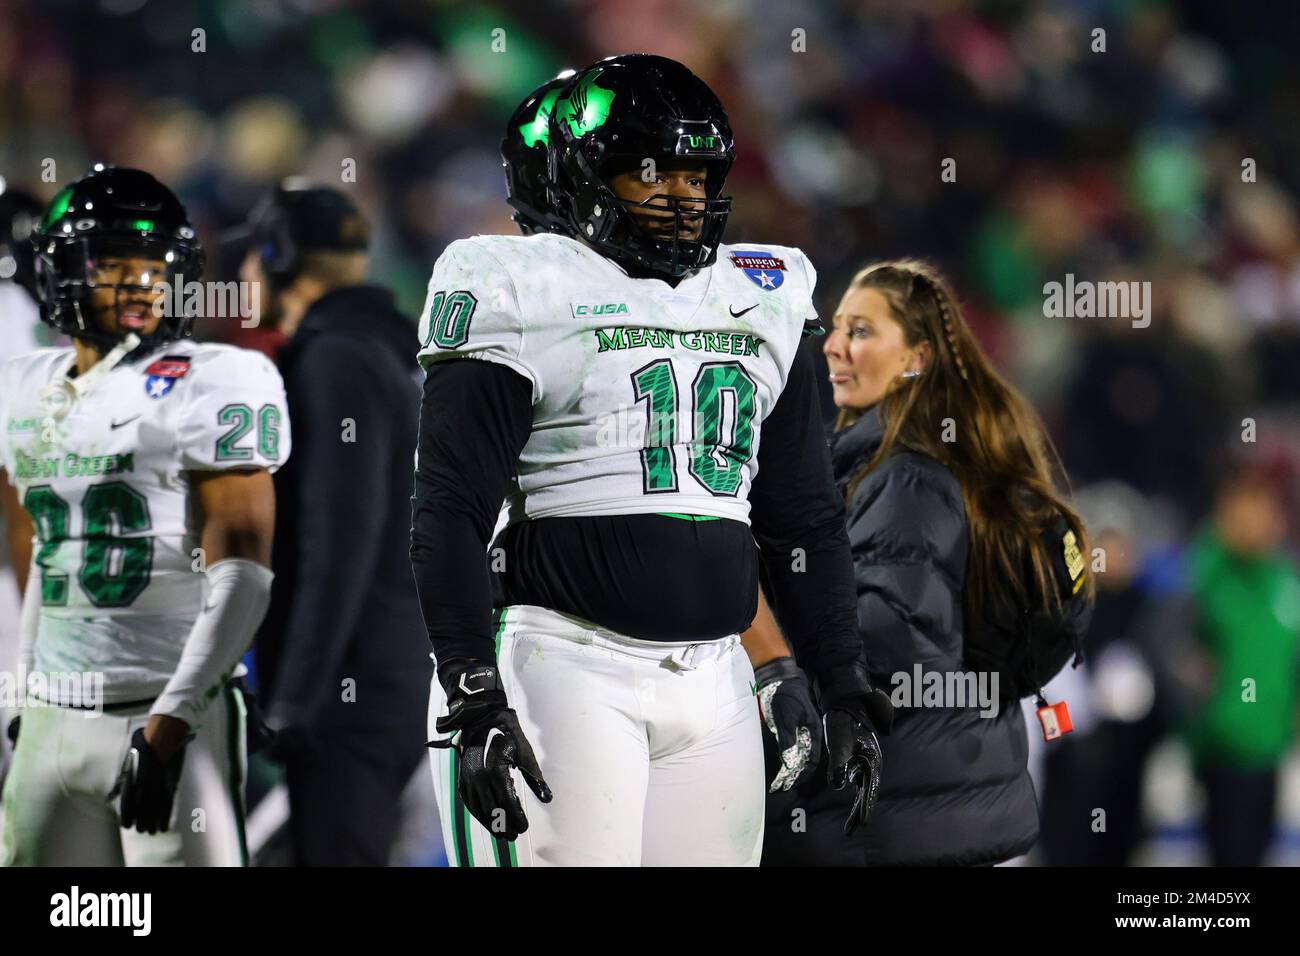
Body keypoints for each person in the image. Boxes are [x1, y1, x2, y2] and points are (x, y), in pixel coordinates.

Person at [412, 54, 891, 867]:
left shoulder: (763, 291)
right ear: (582, 179)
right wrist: (471, 684)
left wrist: (837, 675)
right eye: (650, 173)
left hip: (713, 681)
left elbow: (800, 515)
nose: (682, 195)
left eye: (697, 174)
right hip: (563, 664)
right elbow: (450, 509)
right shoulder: (517, 282)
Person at [0, 165, 288, 866]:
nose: (140, 284)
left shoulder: (217, 377)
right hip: (50, 714)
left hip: (164, 710)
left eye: (154, 266)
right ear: (62, 272)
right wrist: (19, 690)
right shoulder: (23, 385)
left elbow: (244, 573)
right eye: (114, 266)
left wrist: (174, 719)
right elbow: (51, 555)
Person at [764, 259, 1092, 866]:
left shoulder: (907, 477)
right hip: (948, 798)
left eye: (861, 331)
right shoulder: (953, 455)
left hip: (891, 811)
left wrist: (766, 647)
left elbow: (896, 645)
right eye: (835, 328)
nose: (833, 345)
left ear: (916, 356)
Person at [235, 183, 431, 866]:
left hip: (353, 688)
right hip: (399, 671)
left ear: (278, 258)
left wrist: (295, 696)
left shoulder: (336, 358)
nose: (242, 277)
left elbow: (338, 541)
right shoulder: (396, 348)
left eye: (251, 259)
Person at [1183, 466, 1300, 866]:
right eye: (1242, 514)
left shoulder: (1286, 584)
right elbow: (1174, 644)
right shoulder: (1209, 575)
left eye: (1263, 513)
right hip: (1221, 752)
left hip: (1271, 752)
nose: (1255, 525)